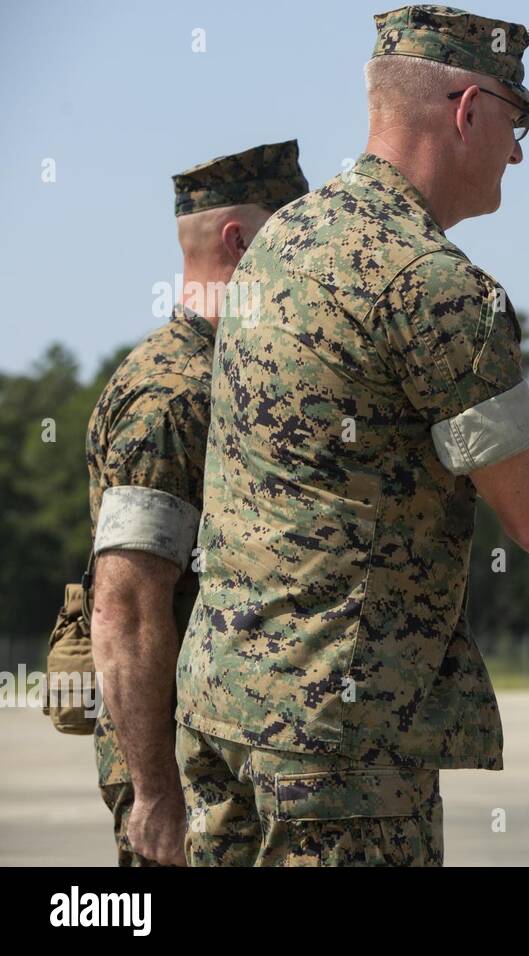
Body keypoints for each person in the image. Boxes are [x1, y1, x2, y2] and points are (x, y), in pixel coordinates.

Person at [174, 4, 529, 867]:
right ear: (468, 109)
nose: (517, 153)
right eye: (516, 125)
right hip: (342, 743)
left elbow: (460, 449)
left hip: (226, 710)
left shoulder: (283, 241)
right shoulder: (433, 283)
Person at [82, 141, 308, 865]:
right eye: (292, 237)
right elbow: (126, 606)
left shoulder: (234, 369)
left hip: (224, 760)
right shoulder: (175, 392)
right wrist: (155, 796)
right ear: (240, 242)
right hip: (183, 773)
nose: (308, 259)